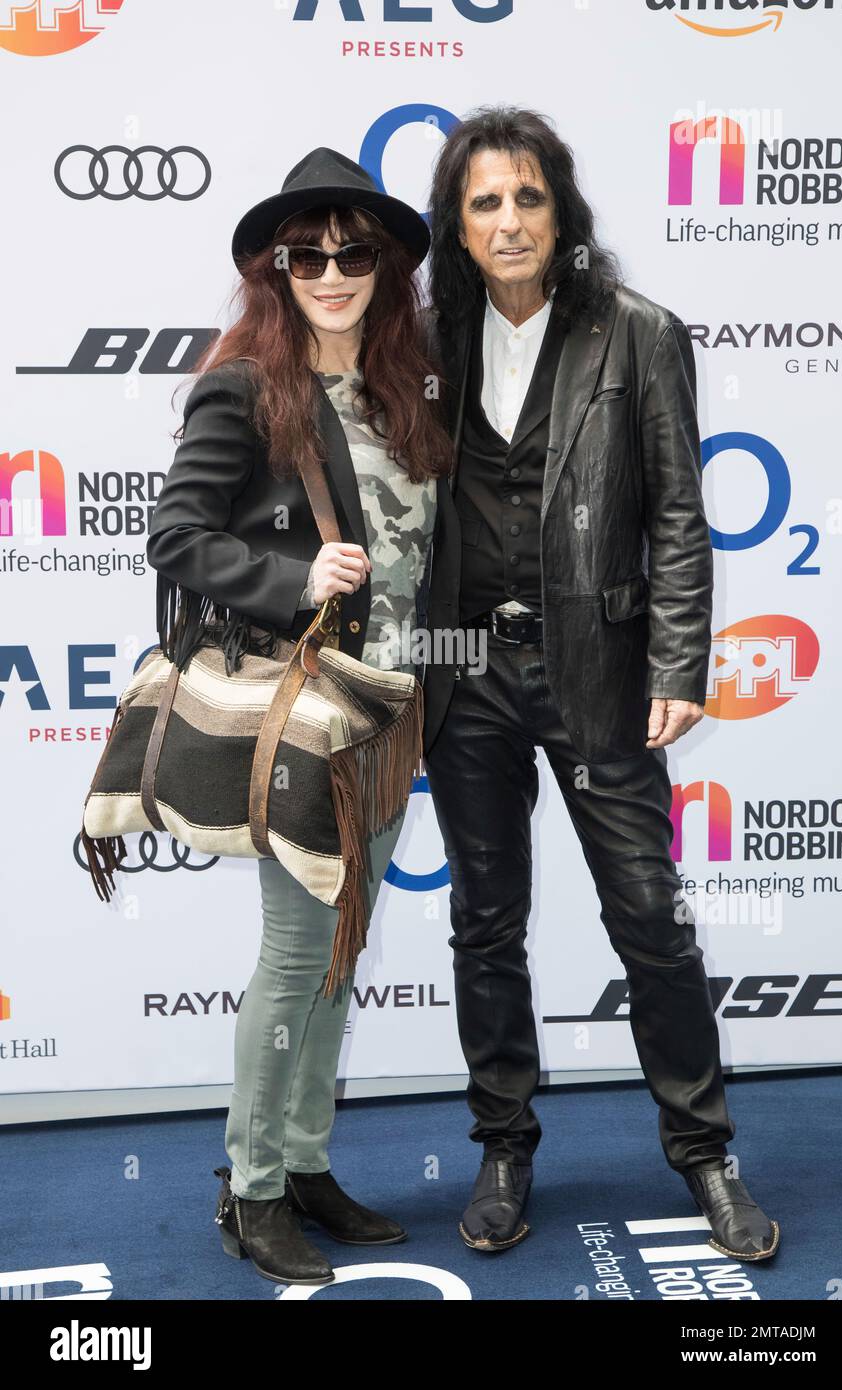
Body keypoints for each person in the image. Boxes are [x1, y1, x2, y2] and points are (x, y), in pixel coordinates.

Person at [420, 106, 780, 1262]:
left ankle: (706, 1153)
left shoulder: (635, 331)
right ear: (458, 225)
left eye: (528, 197)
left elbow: (677, 509)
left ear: (558, 210)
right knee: (484, 921)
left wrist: (677, 663)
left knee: (649, 922)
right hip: (461, 670)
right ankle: (502, 1146)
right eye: (485, 202)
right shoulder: (426, 343)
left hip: (601, 669)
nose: (510, 220)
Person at [145, 147, 454, 1287]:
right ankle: (252, 1188)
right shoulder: (243, 383)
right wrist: (291, 576)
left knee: (339, 947)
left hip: (389, 710)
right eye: (306, 254)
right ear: (275, 267)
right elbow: (176, 534)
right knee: (293, 950)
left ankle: (307, 1164)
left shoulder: (404, 388)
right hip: (300, 711)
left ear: (384, 268)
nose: (330, 272)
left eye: (352, 253)